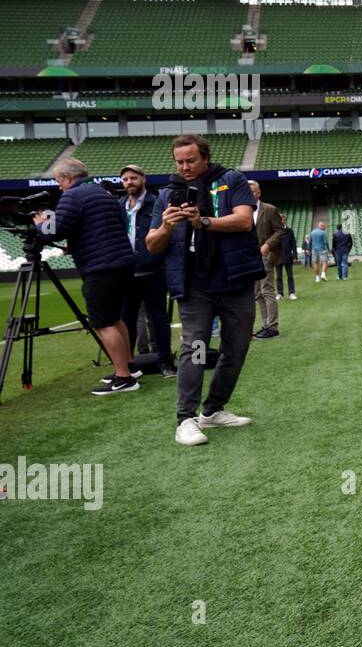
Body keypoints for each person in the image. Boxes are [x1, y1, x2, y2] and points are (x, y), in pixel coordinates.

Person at [144, 133, 264, 445]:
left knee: (236, 349)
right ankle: (185, 418)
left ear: (205, 158)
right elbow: (152, 245)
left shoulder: (231, 179)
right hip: (193, 283)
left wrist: (204, 222)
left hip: (234, 279)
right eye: (179, 161)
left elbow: (244, 222)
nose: (184, 166)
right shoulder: (167, 194)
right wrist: (168, 226)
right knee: (194, 348)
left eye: (191, 160)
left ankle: (212, 411)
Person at [32, 158, 140, 395]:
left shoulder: (73, 195)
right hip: (121, 262)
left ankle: (124, 378)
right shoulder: (102, 193)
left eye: (59, 180)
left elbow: (55, 230)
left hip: (101, 266)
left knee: (102, 321)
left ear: (68, 178)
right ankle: (129, 367)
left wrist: (40, 224)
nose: (59, 186)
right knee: (115, 317)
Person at [118, 164, 175, 379]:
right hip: (127, 273)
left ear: (143, 179)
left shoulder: (157, 202)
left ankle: (165, 362)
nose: (129, 182)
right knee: (127, 321)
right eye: (125, 179)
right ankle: (128, 365)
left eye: (133, 178)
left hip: (153, 270)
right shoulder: (119, 205)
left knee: (159, 319)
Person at [248, 181, 286, 340]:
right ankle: (265, 325)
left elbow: (280, 231)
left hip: (265, 256)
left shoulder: (269, 209)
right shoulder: (241, 211)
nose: (249, 193)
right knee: (257, 293)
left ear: (258, 193)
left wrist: (268, 245)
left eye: (252, 191)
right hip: (250, 257)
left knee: (266, 290)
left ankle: (272, 326)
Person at [277, 221, 298, 300]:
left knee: (290, 276)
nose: (281, 221)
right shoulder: (275, 231)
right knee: (279, 277)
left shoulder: (290, 231)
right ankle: (280, 293)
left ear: (284, 220)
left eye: (282, 219)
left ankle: (291, 293)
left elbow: (294, 244)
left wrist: (295, 256)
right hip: (277, 257)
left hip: (288, 257)